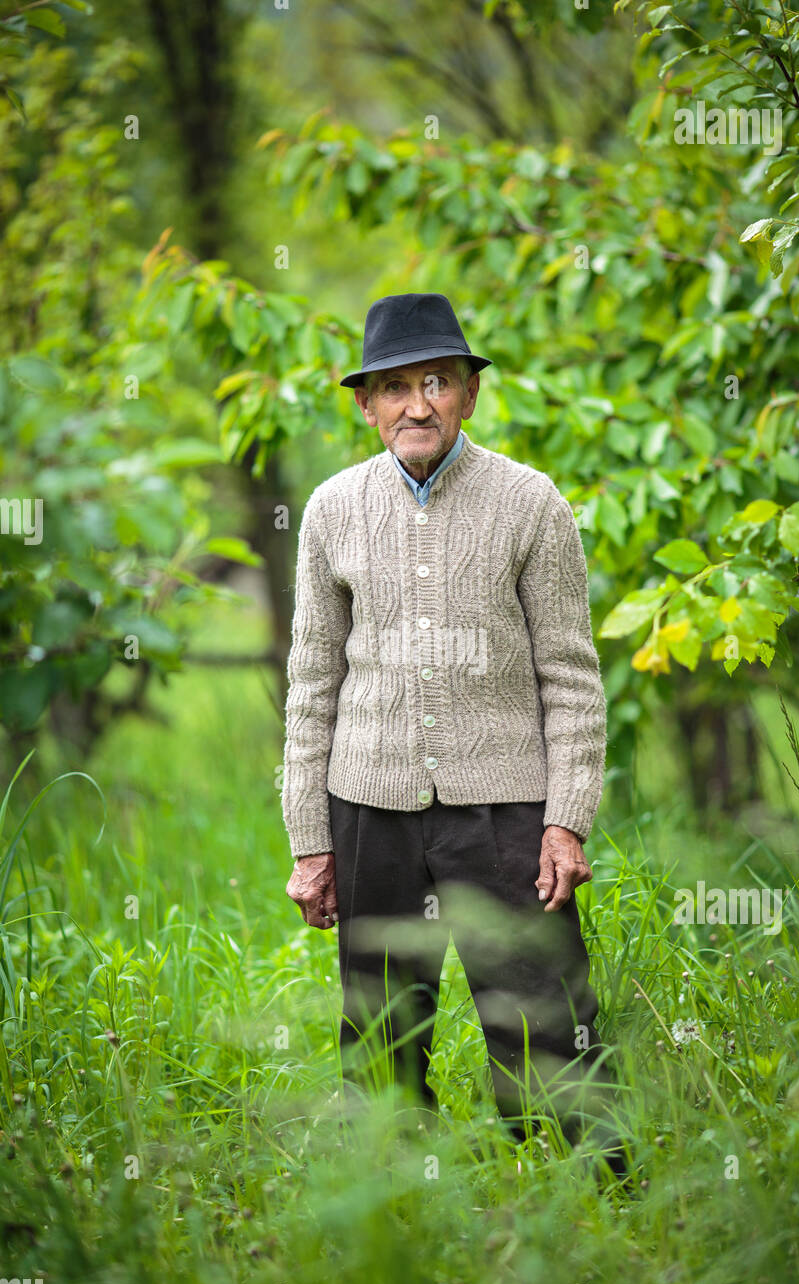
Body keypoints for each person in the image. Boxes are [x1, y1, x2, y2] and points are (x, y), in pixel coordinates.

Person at [282, 291, 623, 1172]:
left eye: (437, 381)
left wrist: (566, 818)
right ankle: (401, 1210)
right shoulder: (330, 510)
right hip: (370, 809)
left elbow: (572, 674)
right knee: (383, 1032)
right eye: (394, 387)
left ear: (469, 393)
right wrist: (309, 841)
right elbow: (313, 682)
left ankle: (598, 1204)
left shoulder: (531, 503)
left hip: (507, 809)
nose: (416, 404)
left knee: (547, 1021)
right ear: (366, 404)